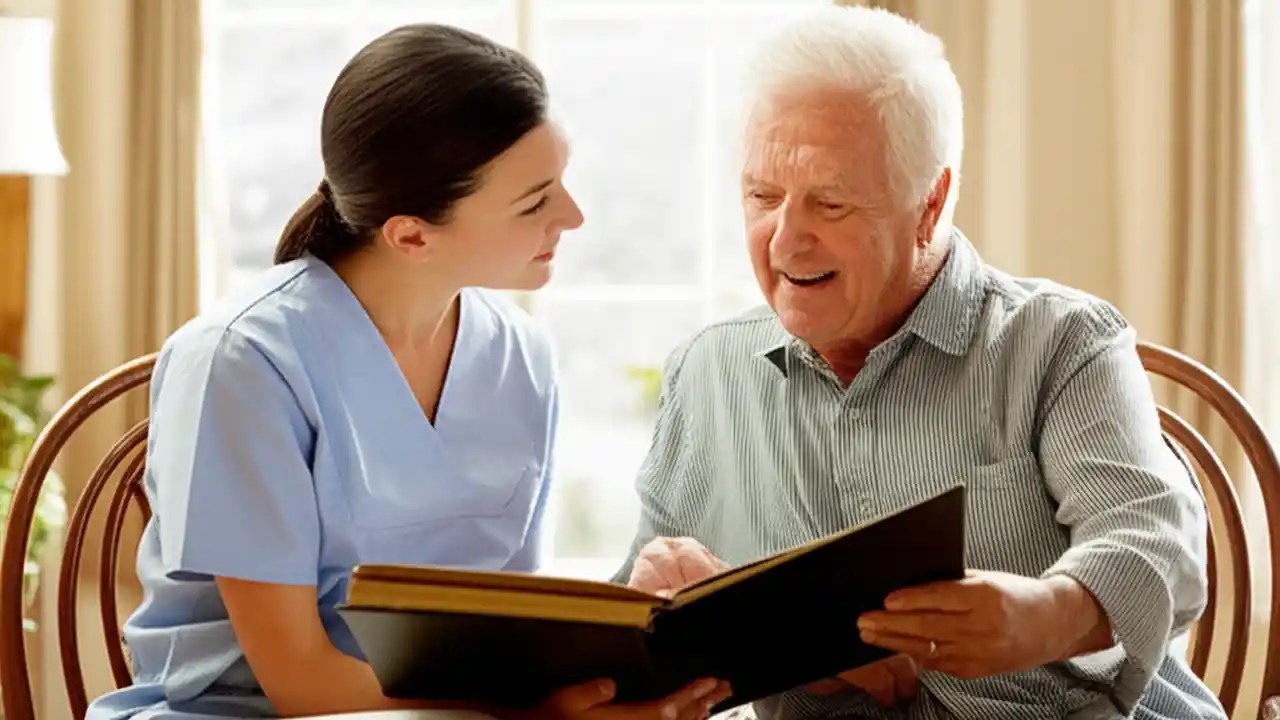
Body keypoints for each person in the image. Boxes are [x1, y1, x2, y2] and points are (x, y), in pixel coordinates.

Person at [87, 24, 729, 720]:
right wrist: (527, 712)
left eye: (561, 183)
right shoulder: (240, 363)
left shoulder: (522, 357)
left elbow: (518, 628)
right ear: (411, 234)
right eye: (534, 201)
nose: (573, 216)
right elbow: (299, 683)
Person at [615, 6, 1226, 720]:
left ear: (929, 204)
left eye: (829, 203)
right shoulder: (707, 372)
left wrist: (1043, 615)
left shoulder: (1061, 341)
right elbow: (631, 630)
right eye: (762, 196)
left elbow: (1157, 544)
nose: (783, 241)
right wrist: (684, 612)